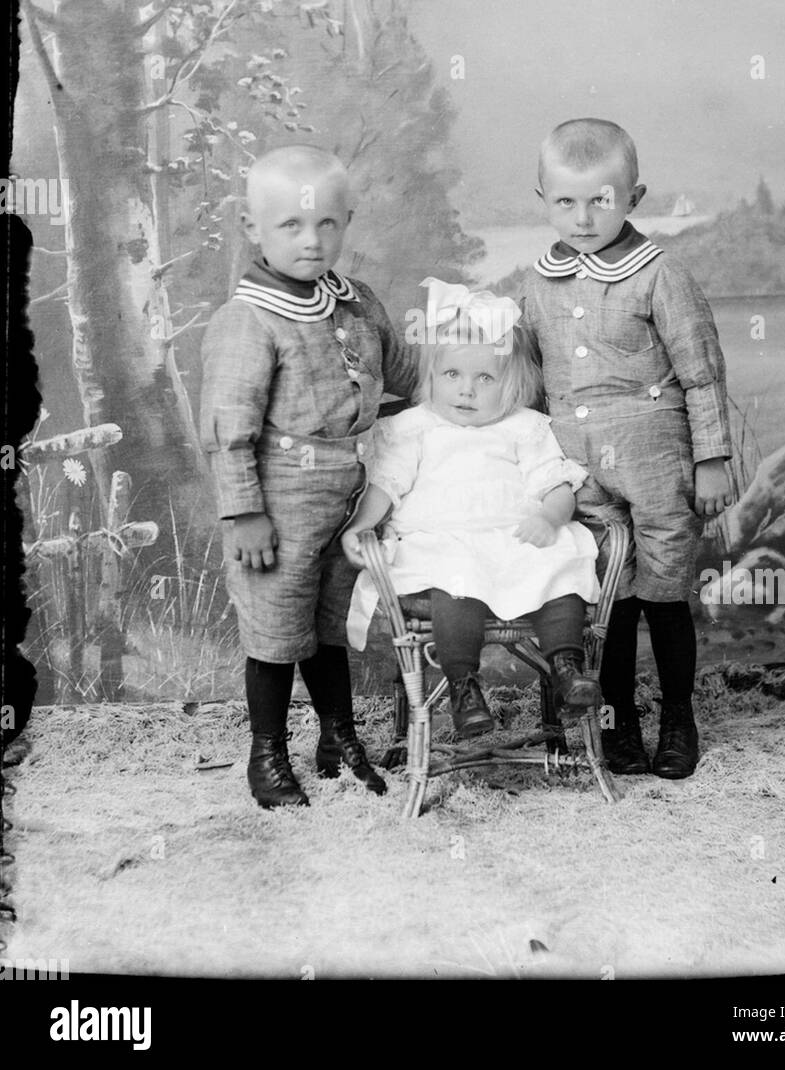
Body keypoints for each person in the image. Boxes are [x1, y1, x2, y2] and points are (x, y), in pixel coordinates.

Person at [200, 145, 416, 808]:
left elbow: (404, 382)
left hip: (349, 502)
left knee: (327, 625)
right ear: (251, 227)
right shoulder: (249, 320)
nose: (312, 240)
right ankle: (266, 756)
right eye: (291, 226)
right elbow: (227, 429)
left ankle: (338, 738)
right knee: (274, 630)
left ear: (346, 221)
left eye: (327, 224)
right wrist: (244, 514)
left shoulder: (356, 305)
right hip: (280, 502)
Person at [519, 119, 733, 779]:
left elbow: (700, 371)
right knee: (601, 596)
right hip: (576, 465)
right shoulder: (537, 282)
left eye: (600, 201)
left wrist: (710, 458)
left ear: (632, 197)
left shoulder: (659, 274)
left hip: (656, 459)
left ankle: (676, 717)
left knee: (662, 592)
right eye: (565, 202)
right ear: (542, 198)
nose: (582, 218)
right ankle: (617, 725)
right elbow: (527, 379)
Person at [341, 278, 602, 737]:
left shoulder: (524, 427)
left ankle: (567, 667)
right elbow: (387, 485)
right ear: (432, 377)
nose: (466, 391)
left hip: (515, 537)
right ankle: (464, 686)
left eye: (485, 378)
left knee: (560, 563)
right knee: (453, 582)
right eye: (452, 376)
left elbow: (556, 485)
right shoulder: (415, 427)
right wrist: (360, 526)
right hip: (444, 542)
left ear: (513, 385)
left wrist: (549, 517)